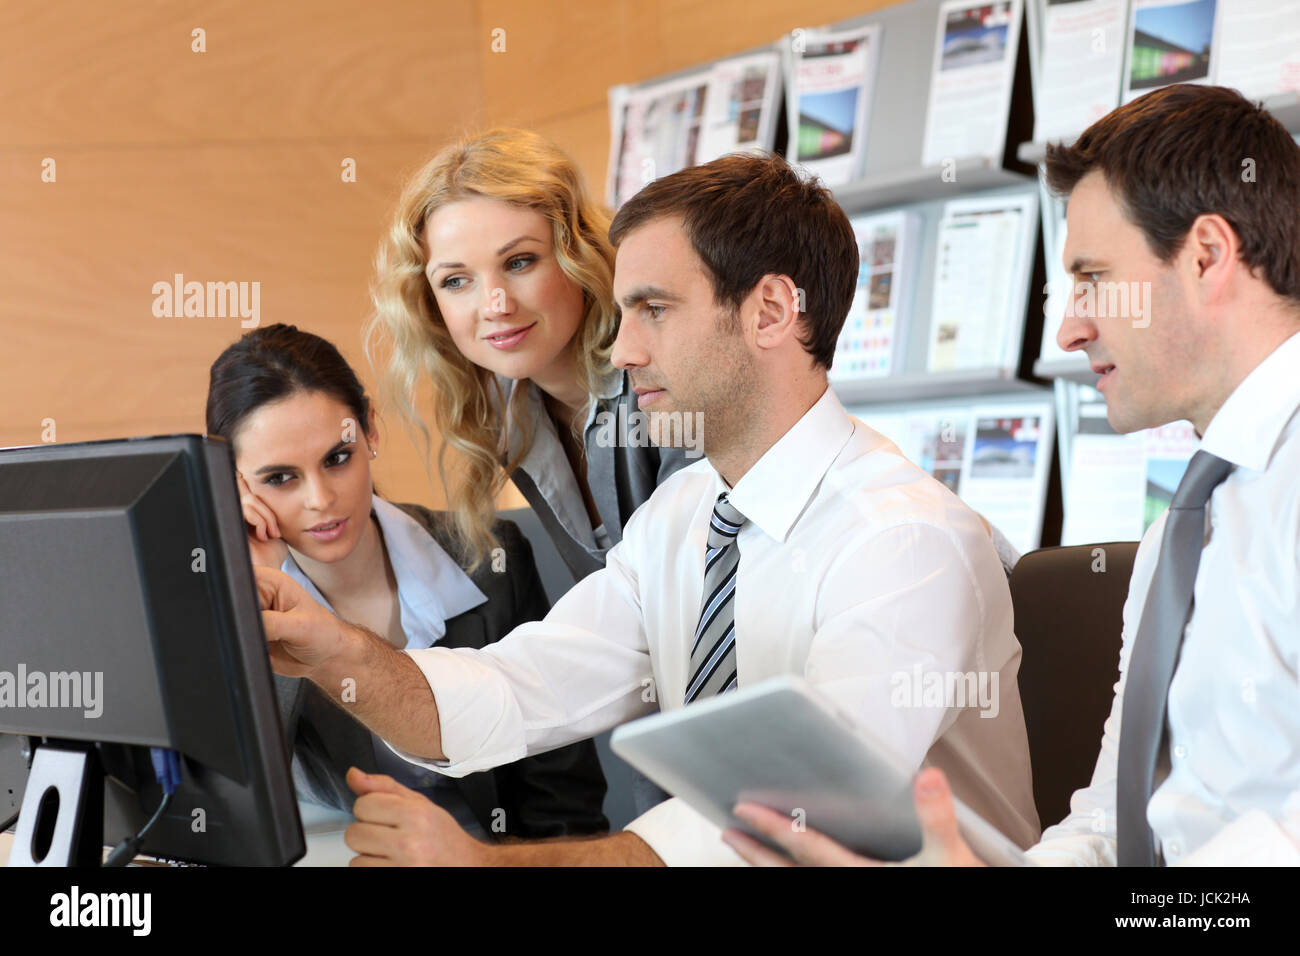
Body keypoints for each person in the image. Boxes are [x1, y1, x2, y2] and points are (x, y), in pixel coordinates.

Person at [251, 151, 1041, 866]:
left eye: (653, 310)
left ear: (770, 311)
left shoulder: (900, 541)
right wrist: (333, 651)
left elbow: (789, 818)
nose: (621, 352)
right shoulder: (683, 518)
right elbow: (513, 690)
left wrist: (488, 867)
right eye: (624, 312)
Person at [723, 84, 1300, 867]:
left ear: (1206, 256)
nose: (1069, 327)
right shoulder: (1184, 531)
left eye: (1093, 278)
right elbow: (1109, 825)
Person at [365, 127, 695, 812]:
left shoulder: (667, 383)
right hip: (670, 762)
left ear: (578, 255)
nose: (494, 305)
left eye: (519, 262)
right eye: (457, 280)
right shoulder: (520, 419)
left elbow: (680, 629)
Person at [205, 323, 608, 840]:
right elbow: (232, 801)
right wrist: (254, 586)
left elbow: (564, 800)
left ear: (370, 430)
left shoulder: (489, 557)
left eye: (337, 458)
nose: (321, 500)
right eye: (280, 478)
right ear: (230, 478)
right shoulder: (223, 594)